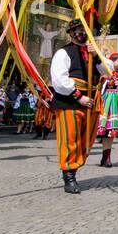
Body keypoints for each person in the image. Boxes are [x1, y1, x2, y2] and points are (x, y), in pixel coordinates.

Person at [49, 18, 103, 194]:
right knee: (69, 139)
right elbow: (59, 79)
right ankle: (69, 175)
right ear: (71, 33)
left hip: (91, 101)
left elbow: (108, 71)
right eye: (78, 30)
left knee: (86, 140)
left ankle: (74, 168)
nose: (82, 33)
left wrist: (96, 57)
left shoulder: (94, 53)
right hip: (70, 102)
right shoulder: (64, 53)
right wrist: (78, 96)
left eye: (85, 30)